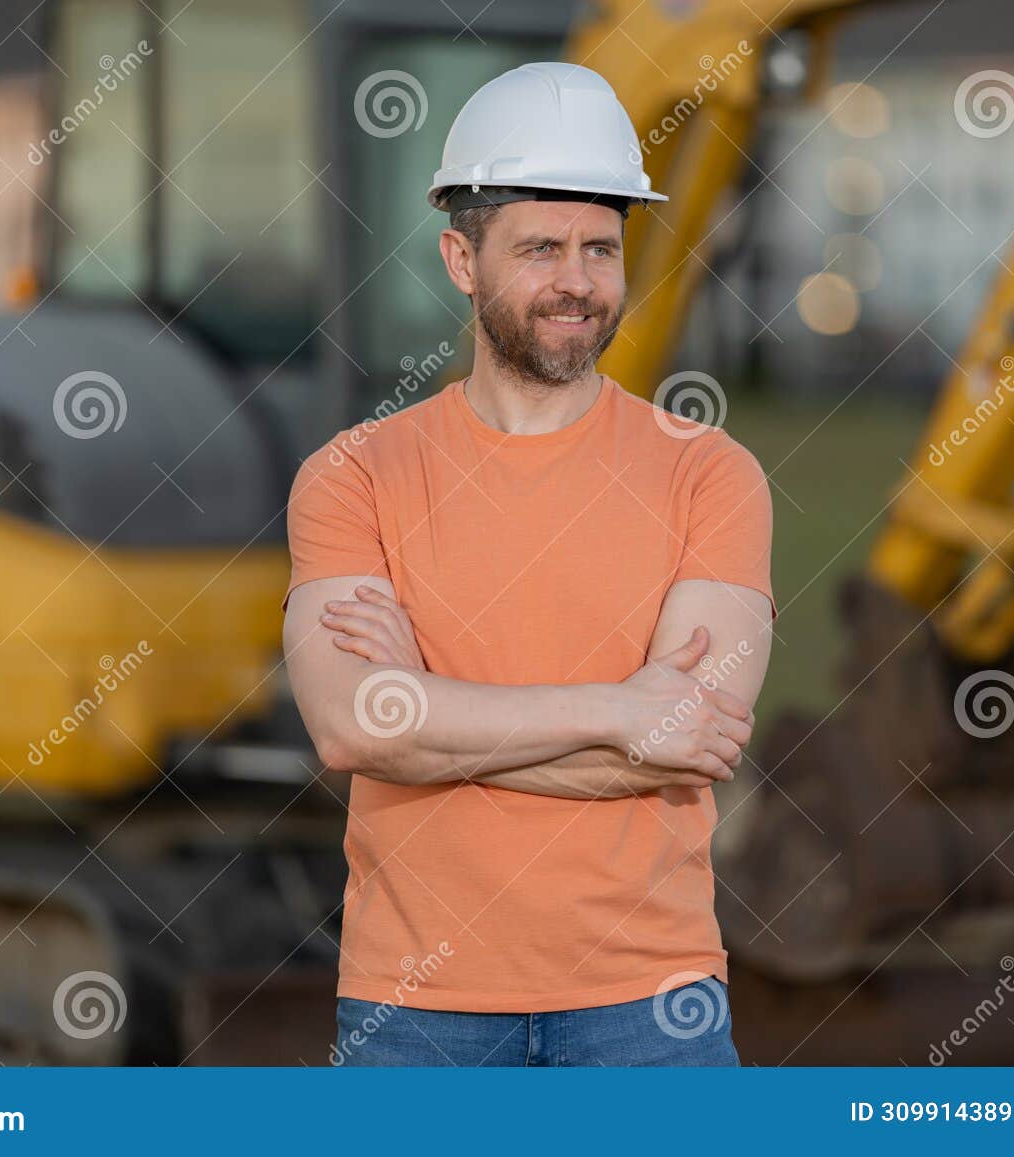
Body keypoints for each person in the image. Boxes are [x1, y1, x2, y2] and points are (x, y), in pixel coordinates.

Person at [282, 61, 774, 1066]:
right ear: (461, 259)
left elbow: (687, 741)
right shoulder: (353, 475)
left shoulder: (710, 474)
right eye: (541, 248)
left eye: (600, 248)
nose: (577, 283)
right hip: (414, 1010)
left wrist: (426, 709)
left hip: (651, 1003)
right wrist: (617, 709)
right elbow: (350, 725)